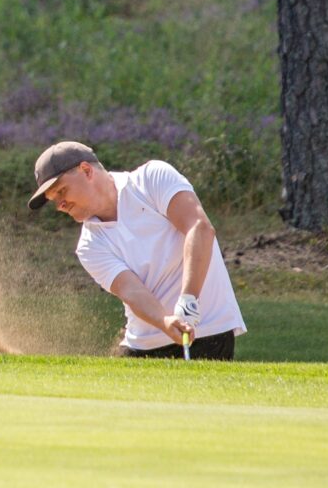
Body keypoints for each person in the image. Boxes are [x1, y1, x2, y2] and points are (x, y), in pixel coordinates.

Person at [29, 139, 245, 360]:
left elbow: (199, 229)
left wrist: (189, 299)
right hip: (143, 343)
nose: (60, 205)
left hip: (209, 330)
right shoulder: (89, 245)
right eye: (54, 200)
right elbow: (131, 291)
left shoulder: (152, 179)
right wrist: (165, 321)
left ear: (86, 171)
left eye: (62, 191)